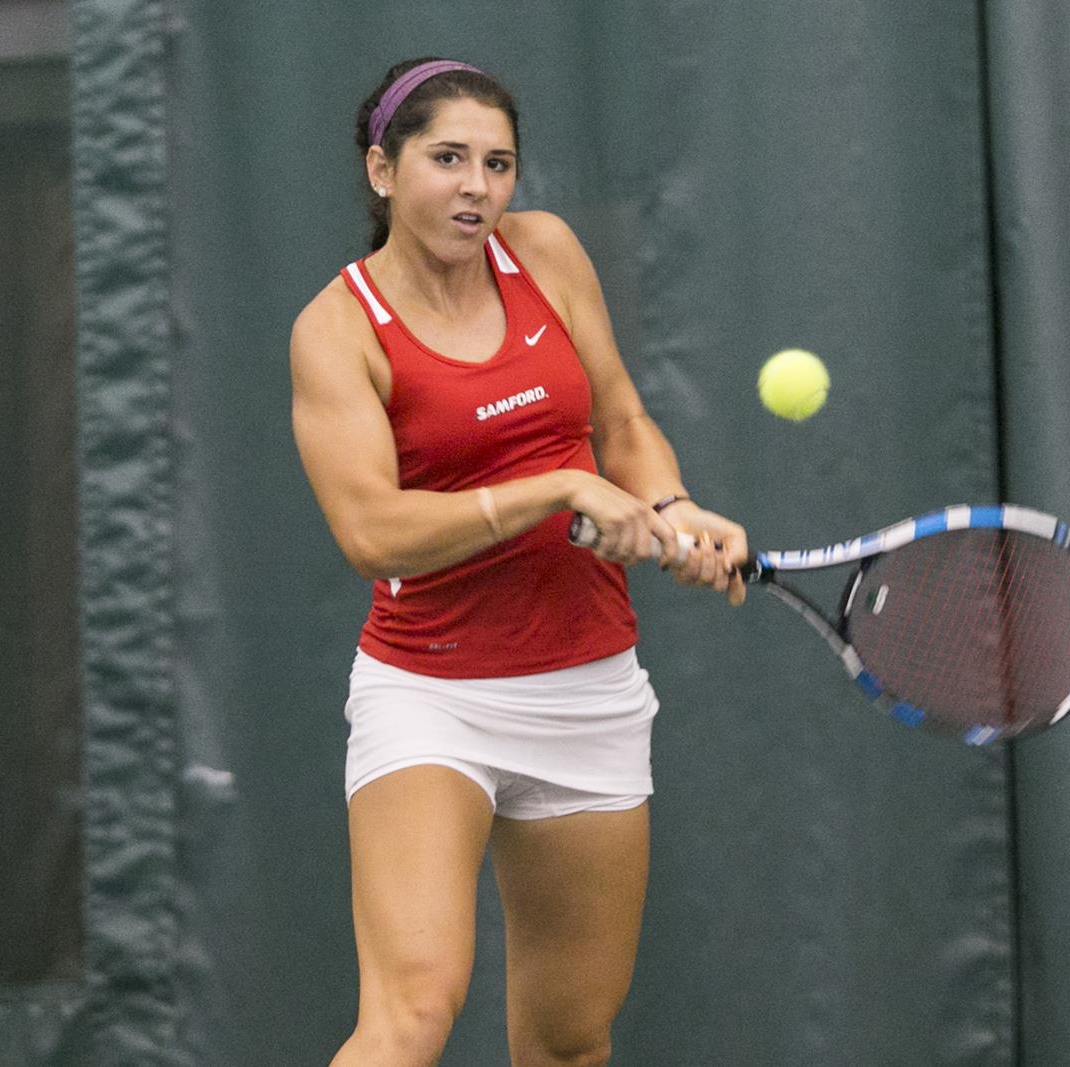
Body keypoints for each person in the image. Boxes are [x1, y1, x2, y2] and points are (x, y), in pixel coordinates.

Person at [290, 57, 749, 1067]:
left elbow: (621, 418)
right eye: (446, 158)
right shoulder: (336, 330)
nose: (476, 186)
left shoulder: (543, 252)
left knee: (569, 1037)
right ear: (382, 169)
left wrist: (670, 509)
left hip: (586, 688)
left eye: (497, 164)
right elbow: (370, 530)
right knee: (411, 1012)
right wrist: (556, 489)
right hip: (430, 693)